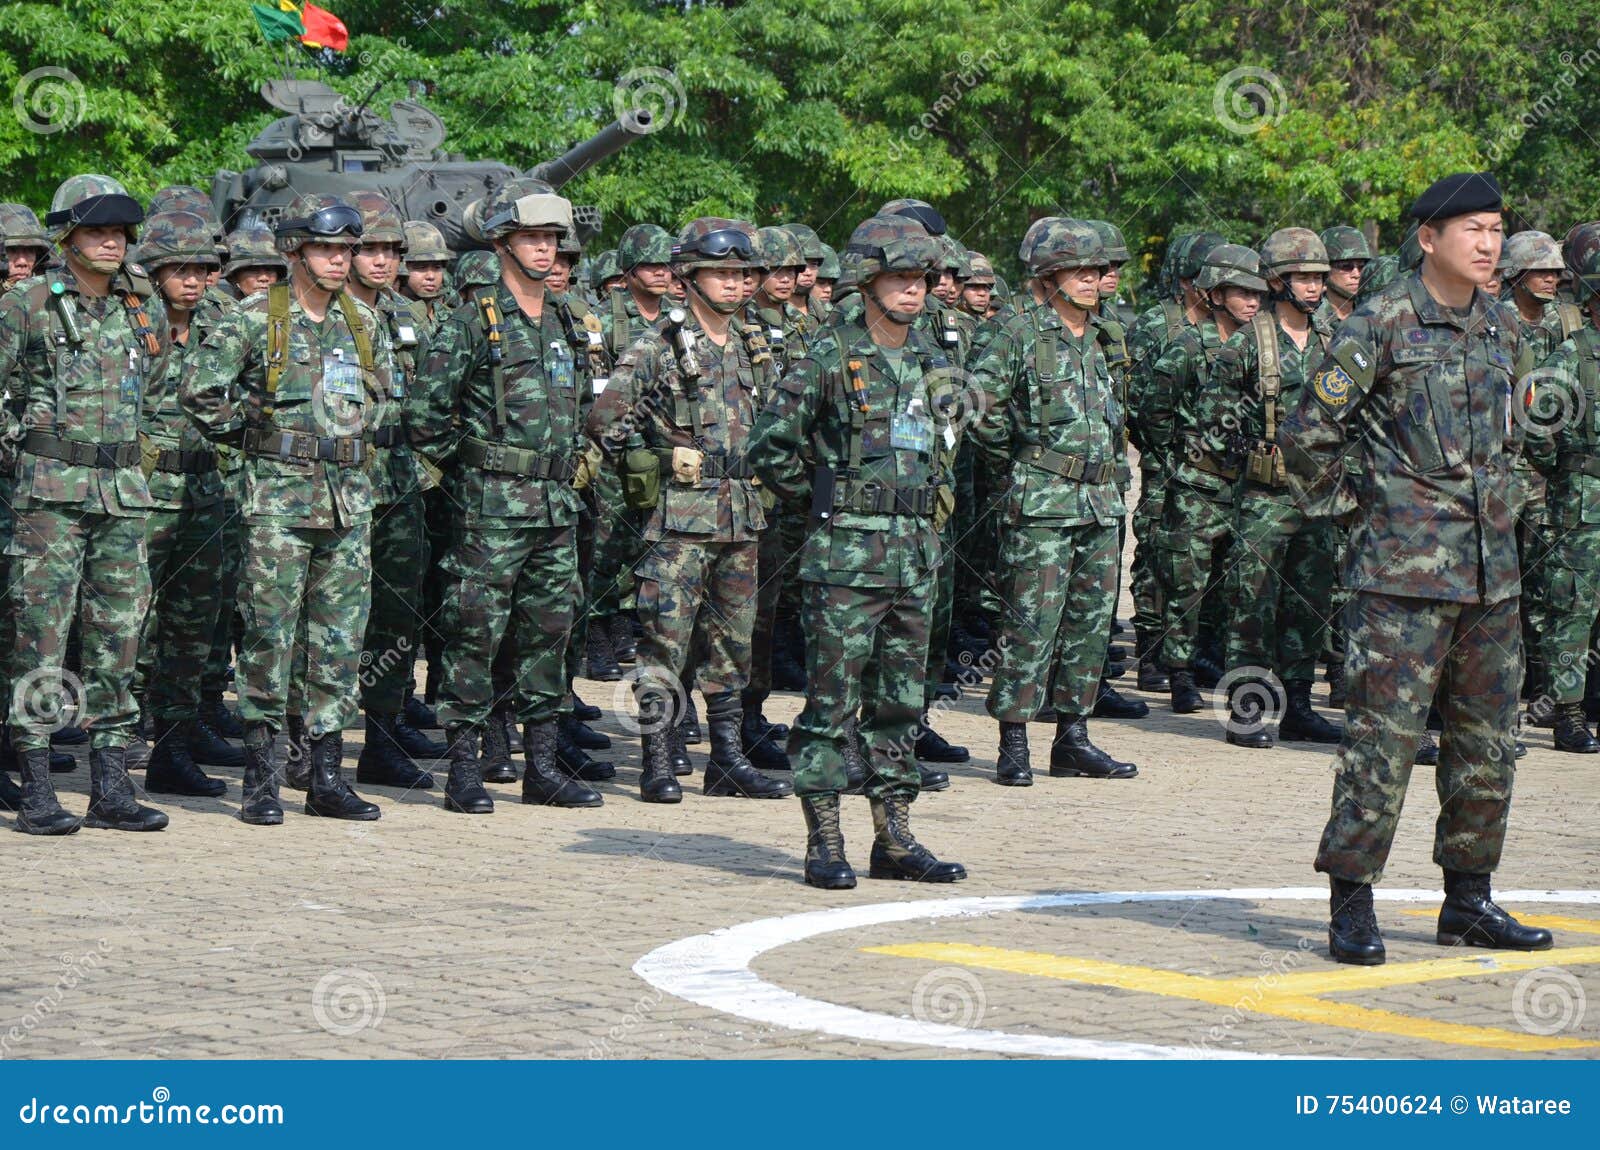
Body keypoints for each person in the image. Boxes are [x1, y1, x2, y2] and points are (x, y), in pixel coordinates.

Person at [1280, 171, 1552, 965]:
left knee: (1486, 745)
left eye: (1496, 229)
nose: (1489, 243)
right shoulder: (1379, 323)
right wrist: (1370, 516)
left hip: (1492, 579)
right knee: (1382, 744)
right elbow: (1307, 435)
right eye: (1473, 229)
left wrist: (1508, 501)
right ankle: (1351, 904)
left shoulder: (1503, 327)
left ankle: (1468, 901)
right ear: (1429, 238)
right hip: (1400, 584)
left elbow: (1519, 440)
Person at [749, 213, 966, 889]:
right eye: (900, 278)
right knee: (831, 705)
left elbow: (946, 450)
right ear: (867, 282)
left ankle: (893, 839)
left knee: (901, 702)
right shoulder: (827, 356)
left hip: (916, 557)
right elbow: (769, 449)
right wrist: (827, 505)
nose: (915, 289)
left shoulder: (934, 359)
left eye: (922, 278)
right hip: (844, 560)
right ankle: (825, 840)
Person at [182, 192, 381, 825]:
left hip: (347, 506)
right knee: (269, 638)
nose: (339, 260)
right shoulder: (253, 318)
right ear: (294, 250)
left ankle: (326, 778)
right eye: (325, 249)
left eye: (346, 250)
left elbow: (383, 397)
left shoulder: (363, 322)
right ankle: (262, 780)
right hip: (277, 506)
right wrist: (253, 439)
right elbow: (199, 391)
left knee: (339, 643)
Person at [413, 179, 603, 814]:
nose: (545, 249)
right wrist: (479, 469)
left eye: (552, 238)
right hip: (490, 509)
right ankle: (464, 768)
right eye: (532, 238)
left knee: (549, 632)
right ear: (501, 244)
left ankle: (541, 768)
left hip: (555, 504)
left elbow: (579, 408)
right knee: (474, 632)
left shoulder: (566, 322)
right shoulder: (472, 322)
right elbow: (426, 417)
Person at [589, 218, 793, 803]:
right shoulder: (658, 347)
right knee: (665, 641)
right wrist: (656, 461)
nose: (734, 284)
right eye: (720, 273)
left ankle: (725, 760)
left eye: (741, 274)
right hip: (679, 520)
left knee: (733, 642)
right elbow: (605, 421)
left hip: (741, 516)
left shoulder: (755, 346)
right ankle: (657, 760)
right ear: (689, 277)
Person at [0, 175, 167, 834]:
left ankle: (111, 788)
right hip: (50, 495)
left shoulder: (140, 304)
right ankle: (37, 786)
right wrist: (18, 444)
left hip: (122, 495)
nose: (111, 241)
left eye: (120, 231)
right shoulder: (28, 303)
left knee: (119, 638)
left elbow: (157, 392)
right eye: (96, 230)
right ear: (67, 237)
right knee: (41, 638)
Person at [968, 219, 1134, 786]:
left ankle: (1072, 739)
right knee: (1030, 623)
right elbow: (979, 407)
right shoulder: (1016, 334)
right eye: (1076, 270)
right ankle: (1013, 740)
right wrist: (1019, 465)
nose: (1091, 279)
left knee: (1090, 624)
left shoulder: (1106, 336)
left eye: (1096, 269)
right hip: (1041, 503)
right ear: (1046, 276)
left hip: (1101, 502)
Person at [1205, 228, 1342, 747]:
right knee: (1253, 602)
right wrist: (1251, 452)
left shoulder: (1335, 339)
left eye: (1319, 277)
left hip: (1321, 494)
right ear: (1277, 281)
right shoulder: (1249, 342)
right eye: (1302, 277)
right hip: (1266, 496)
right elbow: (1212, 420)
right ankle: (1246, 710)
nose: (1314, 287)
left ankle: (1299, 707)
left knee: (1309, 603)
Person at [342, 192, 443, 789]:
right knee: (329, 618)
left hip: (400, 482)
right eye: (369, 249)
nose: (382, 261)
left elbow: (432, 397)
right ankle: (307, 742)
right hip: (339, 484)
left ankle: (382, 735)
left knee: (397, 613)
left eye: (390, 251)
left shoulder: (406, 316)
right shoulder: (321, 314)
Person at [132, 209, 234, 798]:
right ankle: (117, 745)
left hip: (203, 490)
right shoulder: (130, 321)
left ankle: (172, 749)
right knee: (128, 626)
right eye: (179, 269)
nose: (193, 280)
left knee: (192, 628)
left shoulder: (222, 322)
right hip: (142, 494)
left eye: (202, 268)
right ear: (154, 270)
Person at [1147, 243, 1266, 713]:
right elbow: (1152, 409)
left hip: (1246, 485)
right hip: (1197, 485)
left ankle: (1210, 660)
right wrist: (1179, 456)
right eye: (1241, 292)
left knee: (1232, 585)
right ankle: (1178, 672)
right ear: (1216, 295)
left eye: (1257, 293)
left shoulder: (1263, 348)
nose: (1252, 302)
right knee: (1186, 583)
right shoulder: (1189, 346)